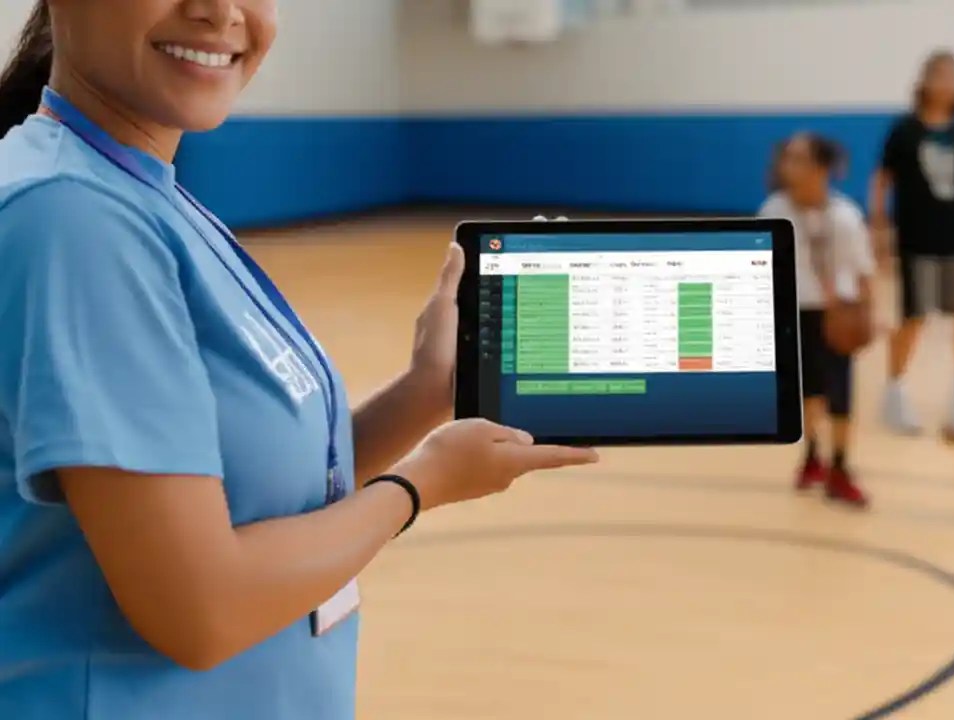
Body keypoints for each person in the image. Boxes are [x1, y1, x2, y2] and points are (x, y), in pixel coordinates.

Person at [0, 2, 597, 718]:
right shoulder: (76, 219)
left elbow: (266, 494)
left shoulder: (143, 195)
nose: (220, 11)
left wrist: (424, 391)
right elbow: (200, 610)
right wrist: (419, 486)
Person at [869, 49, 954, 442]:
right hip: (917, 238)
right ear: (924, 82)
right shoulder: (904, 130)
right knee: (915, 316)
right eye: (939, 74)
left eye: (953, 75)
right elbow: (881, 181)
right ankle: (895, 390)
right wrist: (880, 233)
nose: (946, 82)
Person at [760, 133, 877, 507]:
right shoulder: (774, 209)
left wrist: (868, 314)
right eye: (787, 158)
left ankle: (840, 467)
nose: (788, 166)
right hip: (794, 313)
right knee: (807, 394)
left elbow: (864, 271)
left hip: (836, 314)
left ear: (821, 168)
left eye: (798, 158)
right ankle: (812, 455)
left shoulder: (845, 216)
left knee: (841, 394)